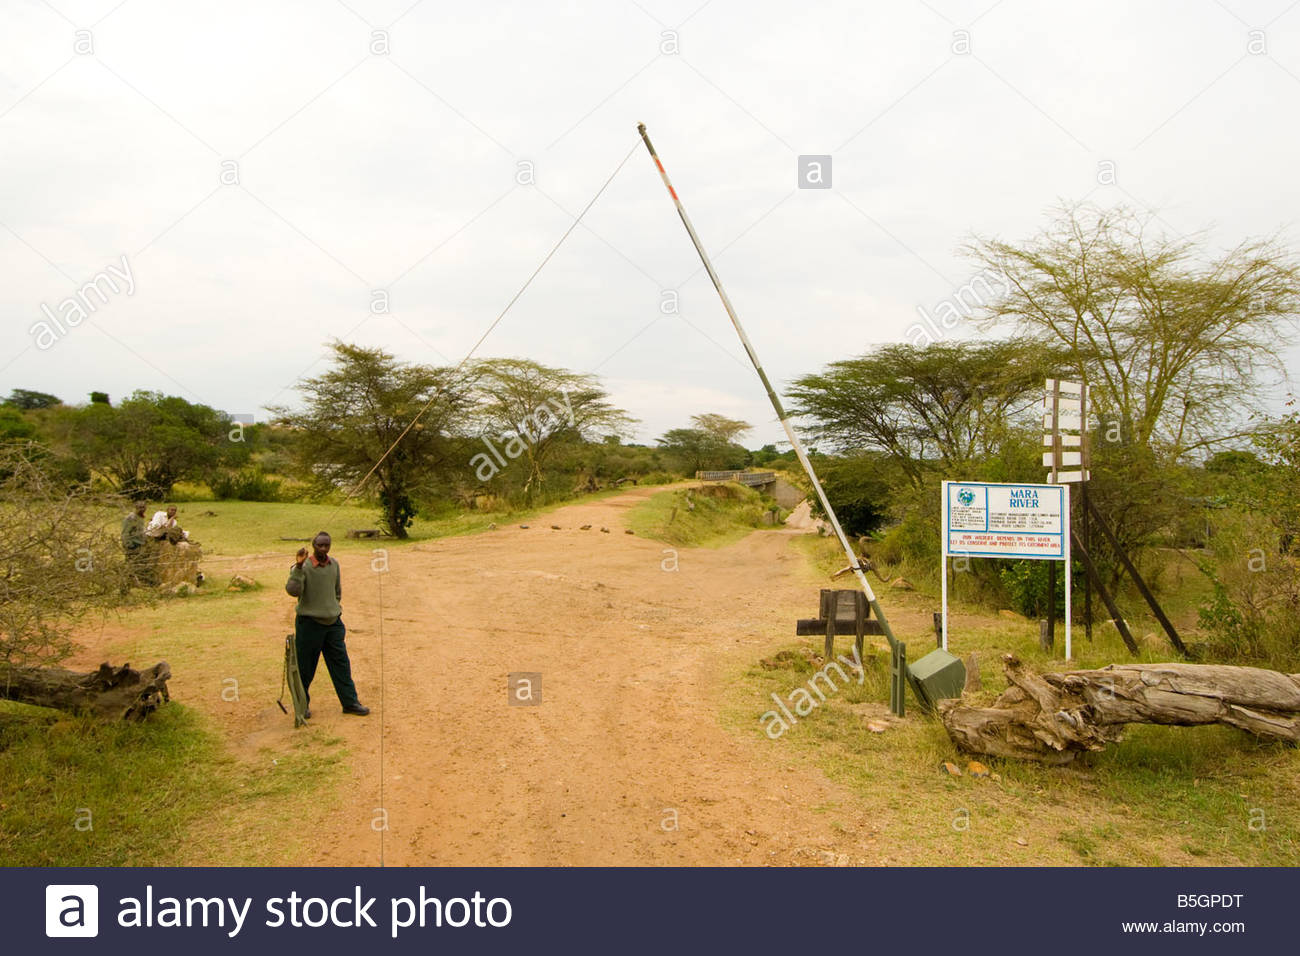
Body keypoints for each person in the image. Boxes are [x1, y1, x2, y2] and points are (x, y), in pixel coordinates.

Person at [284, 531, 369, 717]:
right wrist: (298, 566)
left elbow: (337, 591)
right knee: (305, 667)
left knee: (341, 664)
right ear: (313, 546)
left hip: (333, 624)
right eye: (320, 545)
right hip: (309, 624)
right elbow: (292, 591)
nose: (323, 548)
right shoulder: (303, 566)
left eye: (326, 545)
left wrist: (333, 608)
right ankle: (302, 705)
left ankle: (350, 702)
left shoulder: (334, 565)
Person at [120, 500, 150, 589]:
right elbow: (125, 533)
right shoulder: (131, 518)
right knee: (130, 565)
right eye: (140, 507)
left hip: (139, 544)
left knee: (137, 565)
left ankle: (135, 583)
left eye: (143, 507)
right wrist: (128, 545)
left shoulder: (140, 517)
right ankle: (127, 583)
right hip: (132, 545)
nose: (142, 509)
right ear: (135, 508)